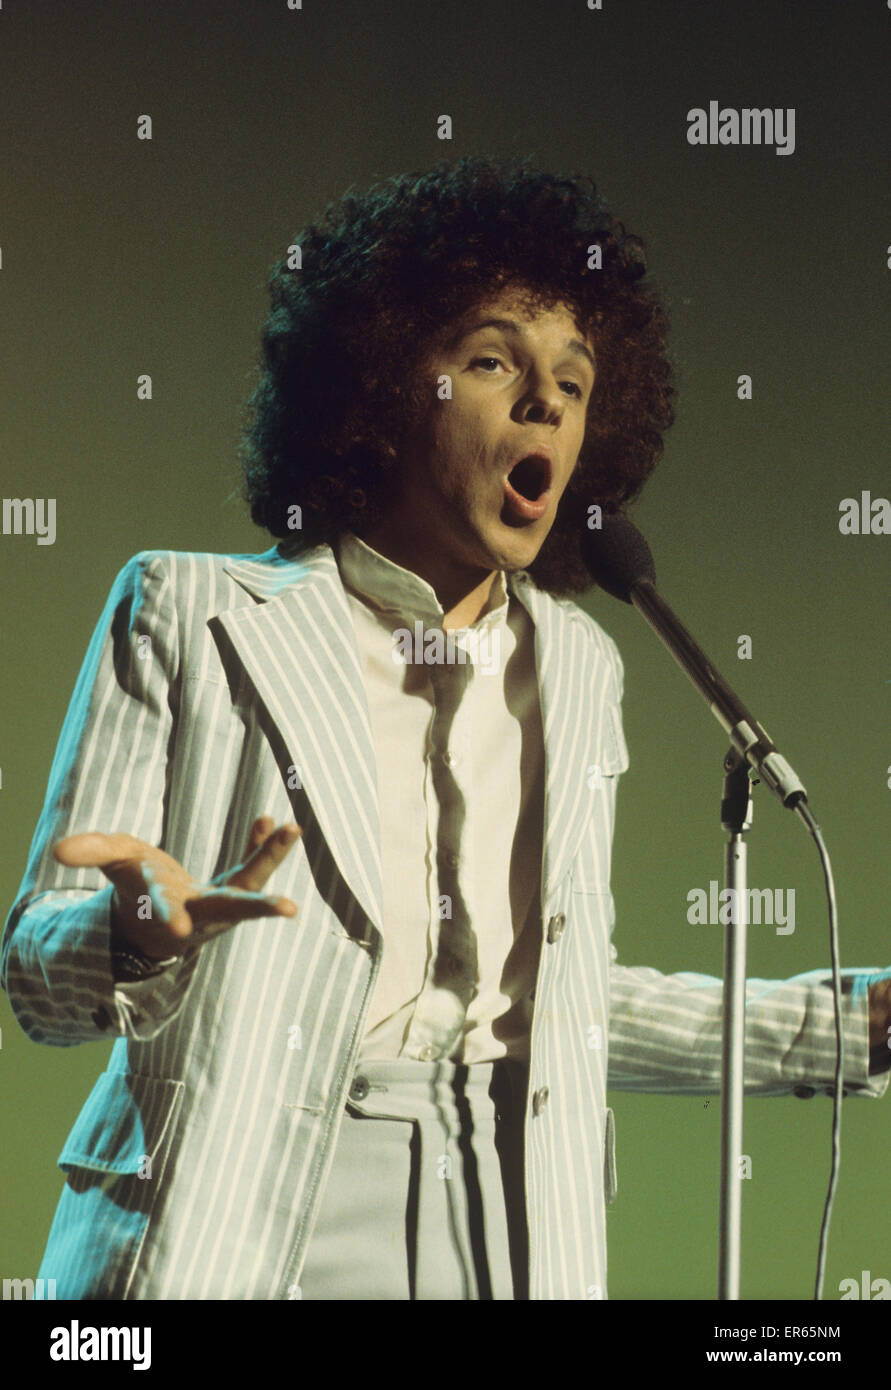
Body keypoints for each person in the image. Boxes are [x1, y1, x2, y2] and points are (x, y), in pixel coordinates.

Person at [3, 156, 890, 1301]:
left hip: (505, 1217)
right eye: (492, 362)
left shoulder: (579, 667)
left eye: (573, 382)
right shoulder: (189, 610)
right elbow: (33, 973)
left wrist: (847, 1027)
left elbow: (563, 998)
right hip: (233, 1217)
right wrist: (132, 936)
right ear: (378, 386)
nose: (547, 405)